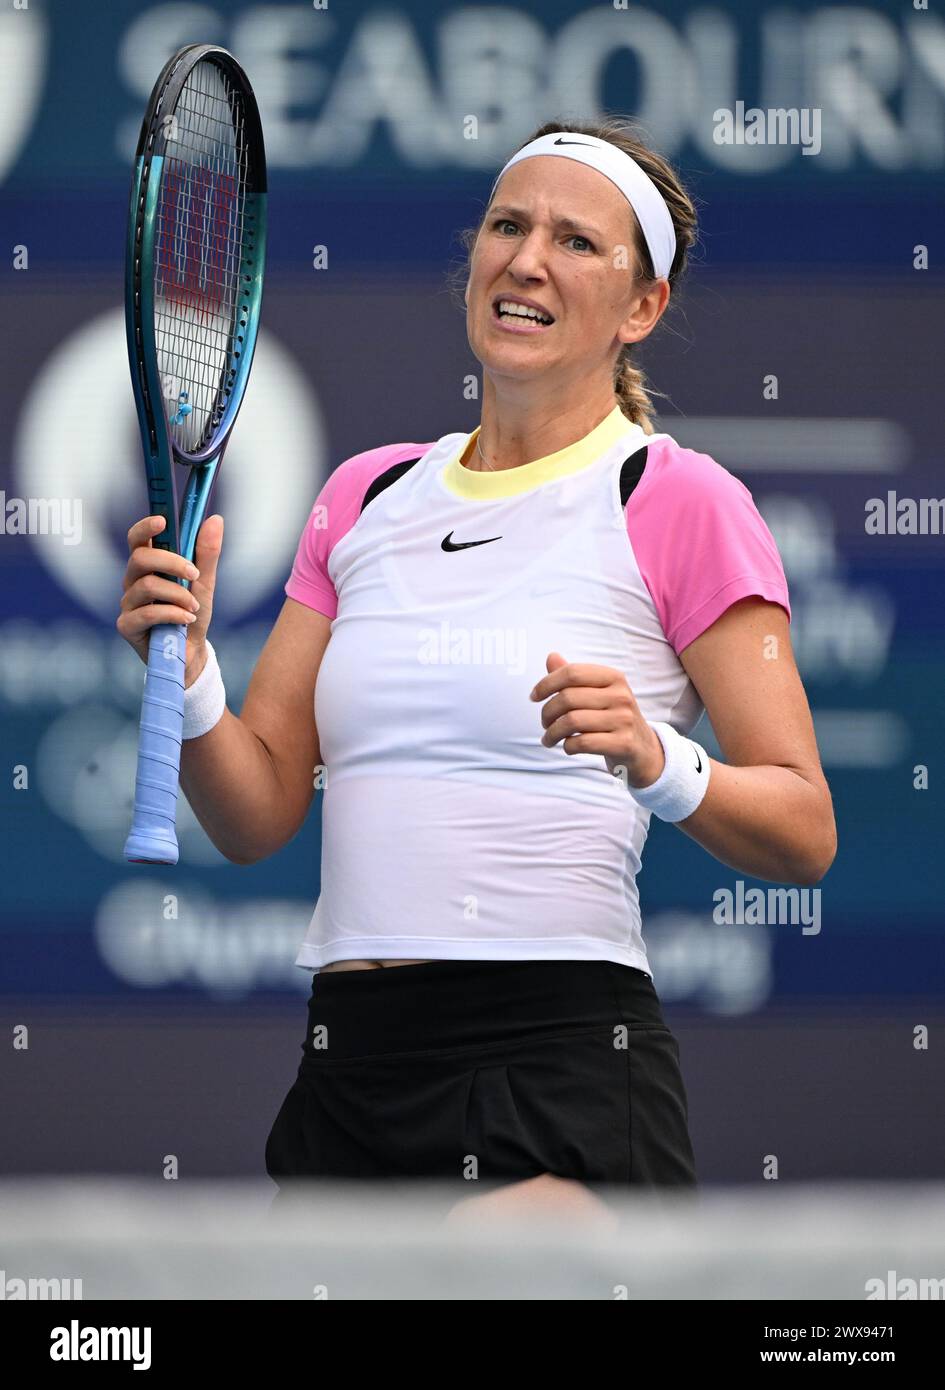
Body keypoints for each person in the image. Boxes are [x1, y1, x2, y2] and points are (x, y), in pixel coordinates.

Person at [117, 116, 836, 1214]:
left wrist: (657, 756)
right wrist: (195, 671)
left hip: (559, 1069)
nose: (527, 258)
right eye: (508, 224)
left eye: (577, 241)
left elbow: (805, 827)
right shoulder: (366, 494)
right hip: (347, 1069)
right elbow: (256, 811)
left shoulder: (680, 499)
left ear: (642, 309)